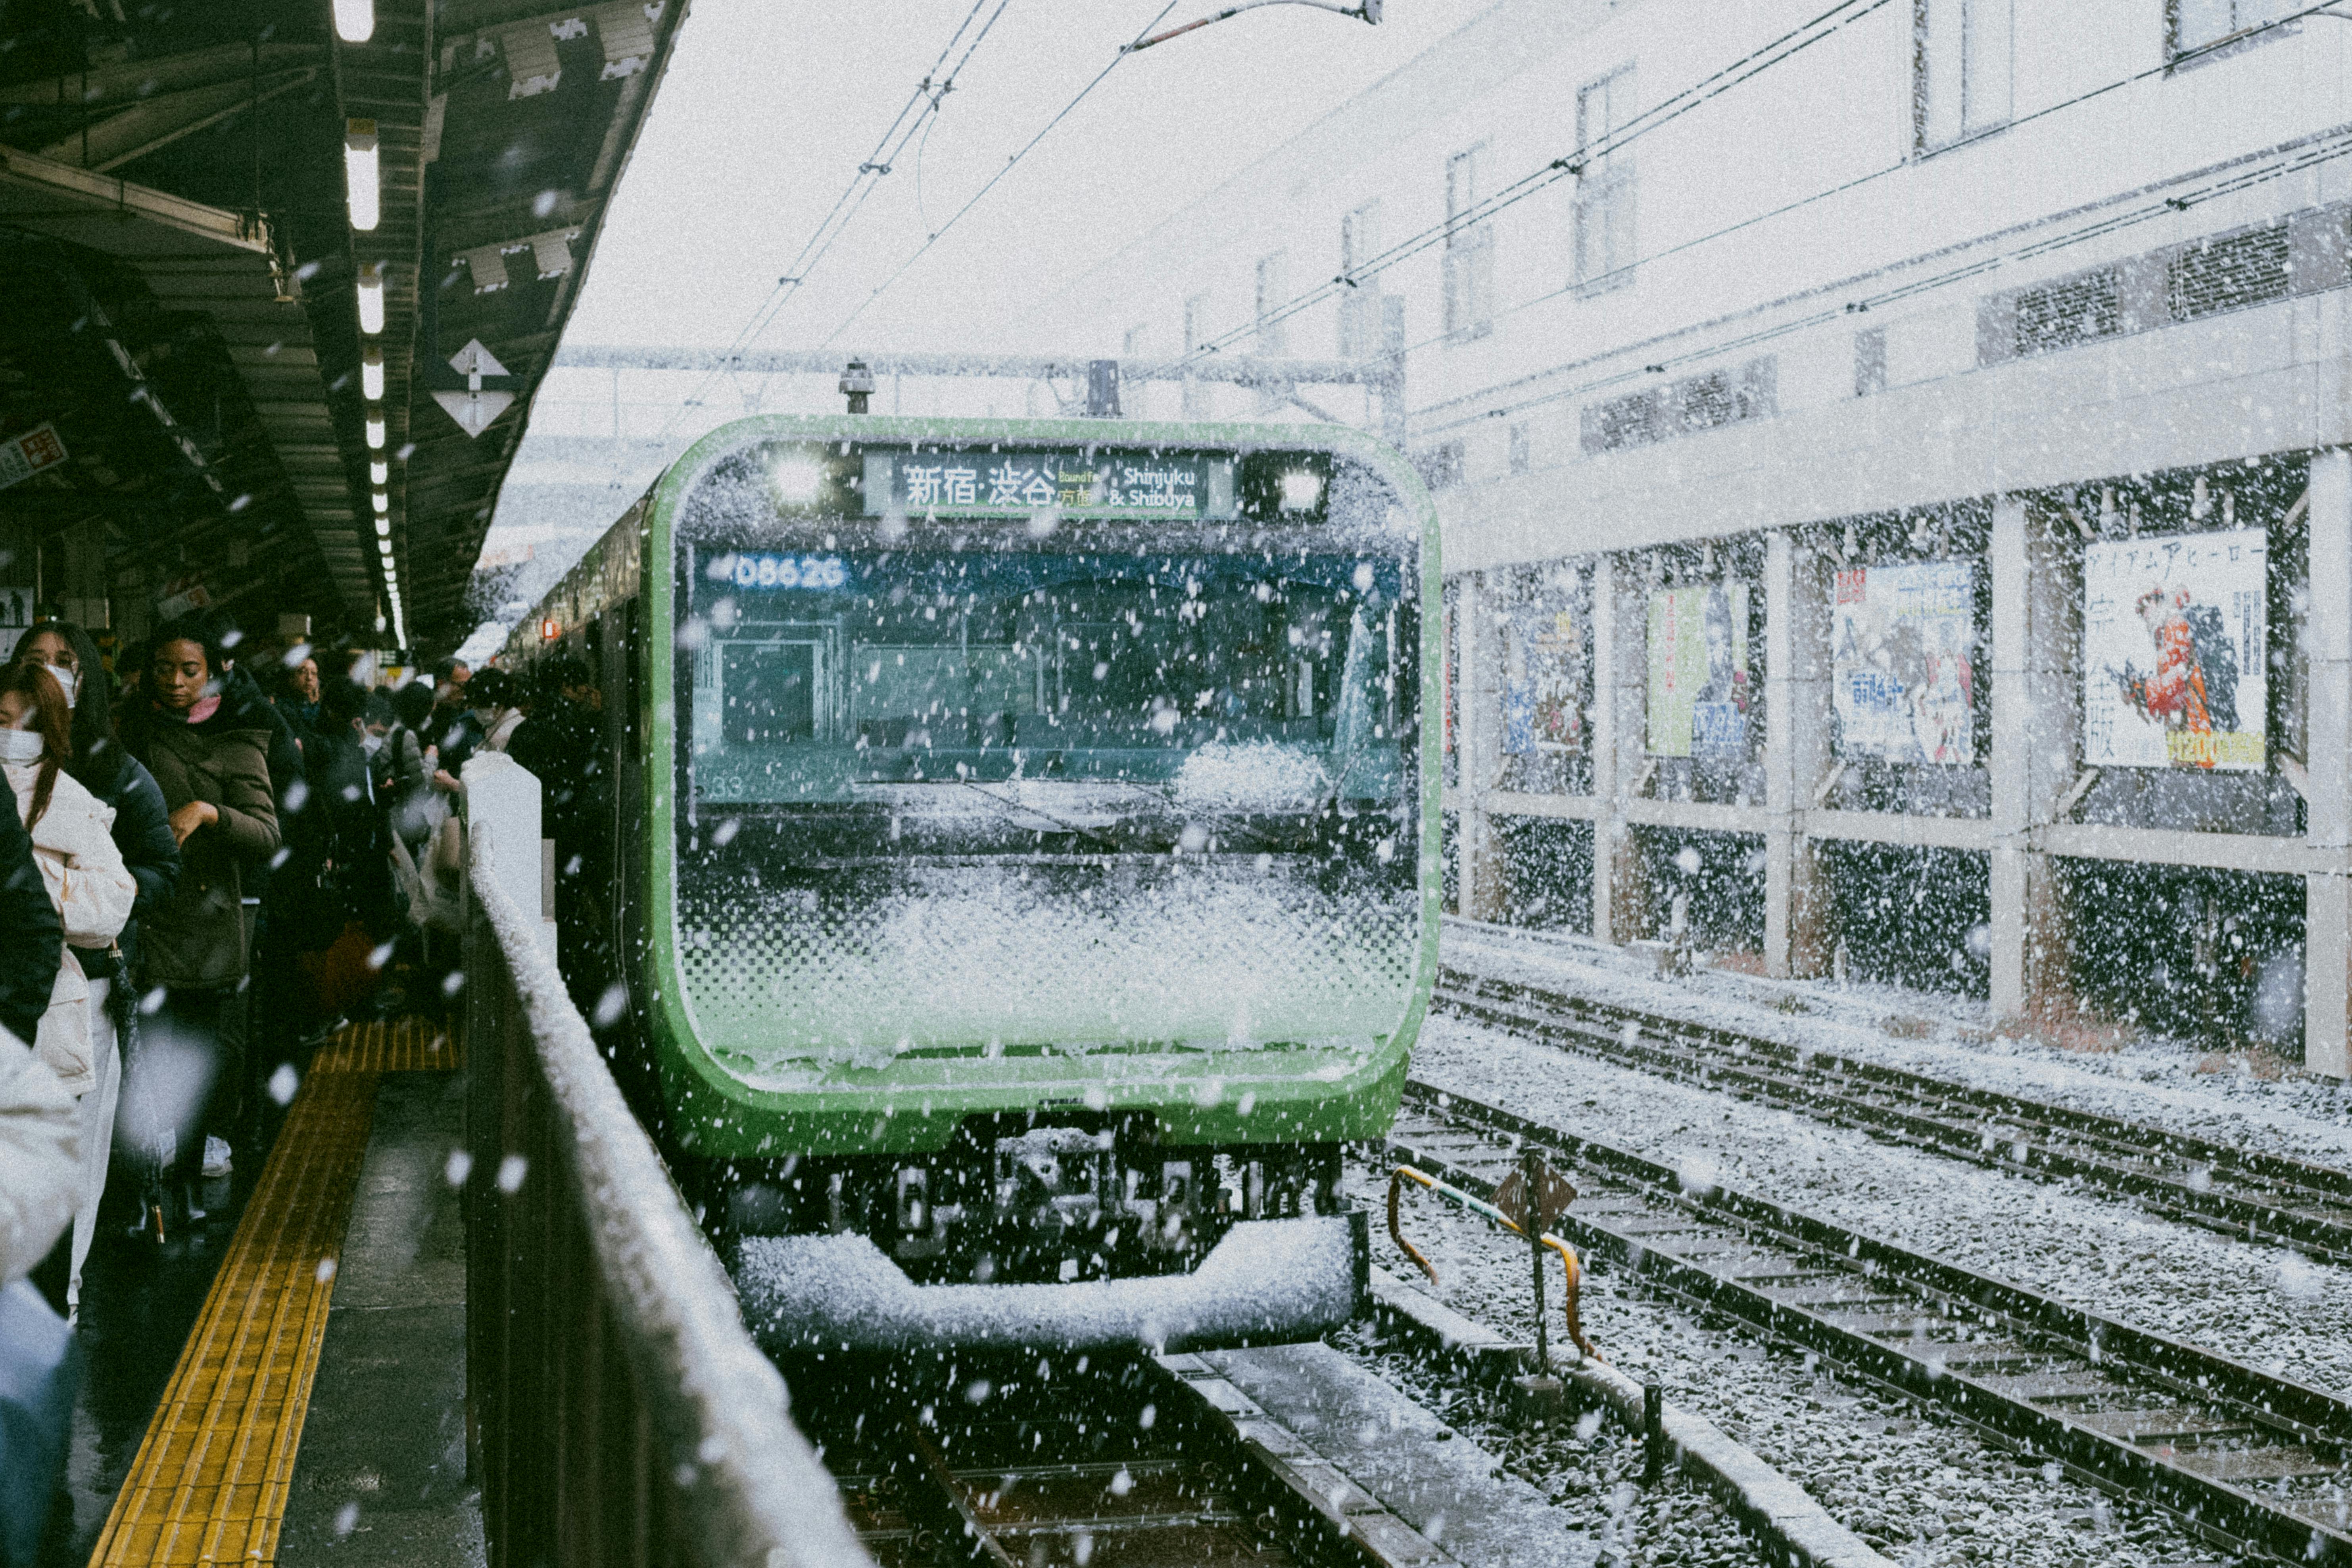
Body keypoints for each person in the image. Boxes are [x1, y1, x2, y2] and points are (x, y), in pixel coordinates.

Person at [115, 616, 281, 1199]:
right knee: (139, 1066)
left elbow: (266, 834)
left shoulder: (240, 739)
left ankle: (181, 1185)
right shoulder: (125, 733)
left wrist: (210, 812)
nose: (176, 682)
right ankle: (149, 1195)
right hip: (138, 923)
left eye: (191, 670)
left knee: (194, 1067)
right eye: (164, 668)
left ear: (214, 673)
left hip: (206, 937)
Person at [1, 663, 136, 1315]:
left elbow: (113, 902)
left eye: (24, 724)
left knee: (47, 1172)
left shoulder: (74, 801)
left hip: (50, 1012)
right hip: (32, 1005)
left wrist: (36, 885)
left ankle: (59, 1300)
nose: (10, 736)